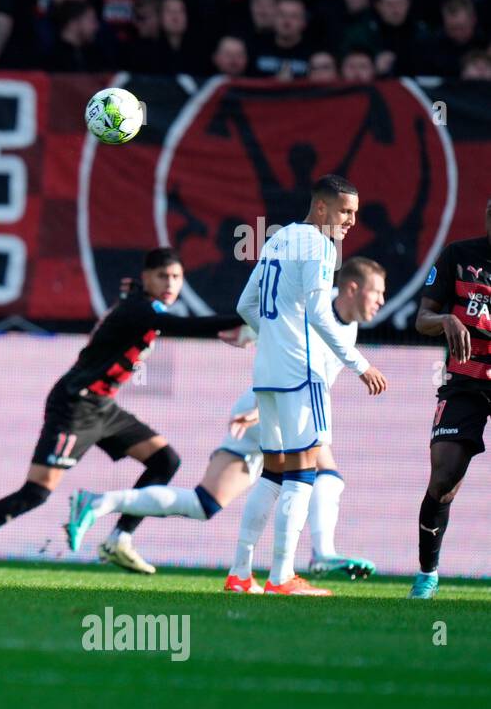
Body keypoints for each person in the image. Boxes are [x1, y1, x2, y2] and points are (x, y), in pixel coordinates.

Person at [68, 257, 388, 594]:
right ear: (352, 288)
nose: (381, 300)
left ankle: (101, 503)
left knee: (204, 503)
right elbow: (283, 350)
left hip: (263, 406)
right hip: (273, 405)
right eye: (377, 292)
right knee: (324, 473)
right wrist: (262, 408)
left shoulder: (345, 321)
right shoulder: (315, 308)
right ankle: (321, 555)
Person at [0, 247, 247, 575]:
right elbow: (184, 328)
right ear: (146, 278)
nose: (170, 283)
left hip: (102, 406)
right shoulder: (138, 308)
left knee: (165, 460)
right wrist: (244, 318)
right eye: (162, 276)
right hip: (75, 405)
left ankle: (120, 539)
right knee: (37, 491)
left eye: (176, 277)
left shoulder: (144, 304)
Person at [235, 175, 388, 595]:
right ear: (321, 208)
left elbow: (245, 305)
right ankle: (282, 577)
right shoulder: (321, 246)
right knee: (302, 476)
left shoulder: (277, 240)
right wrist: (360, 365)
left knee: (272, 473)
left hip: (266, 372)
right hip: (301, 374)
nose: (351, 222)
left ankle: (239, 573)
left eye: (355, 214)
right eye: (345, 212)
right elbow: (321, 314)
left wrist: (274, 338)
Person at [410, 197, 491, 598]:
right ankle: (427, 575)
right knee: (444, 479)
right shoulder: (459, 256)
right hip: (464, 382)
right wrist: (446, 319)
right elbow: (422, 318)